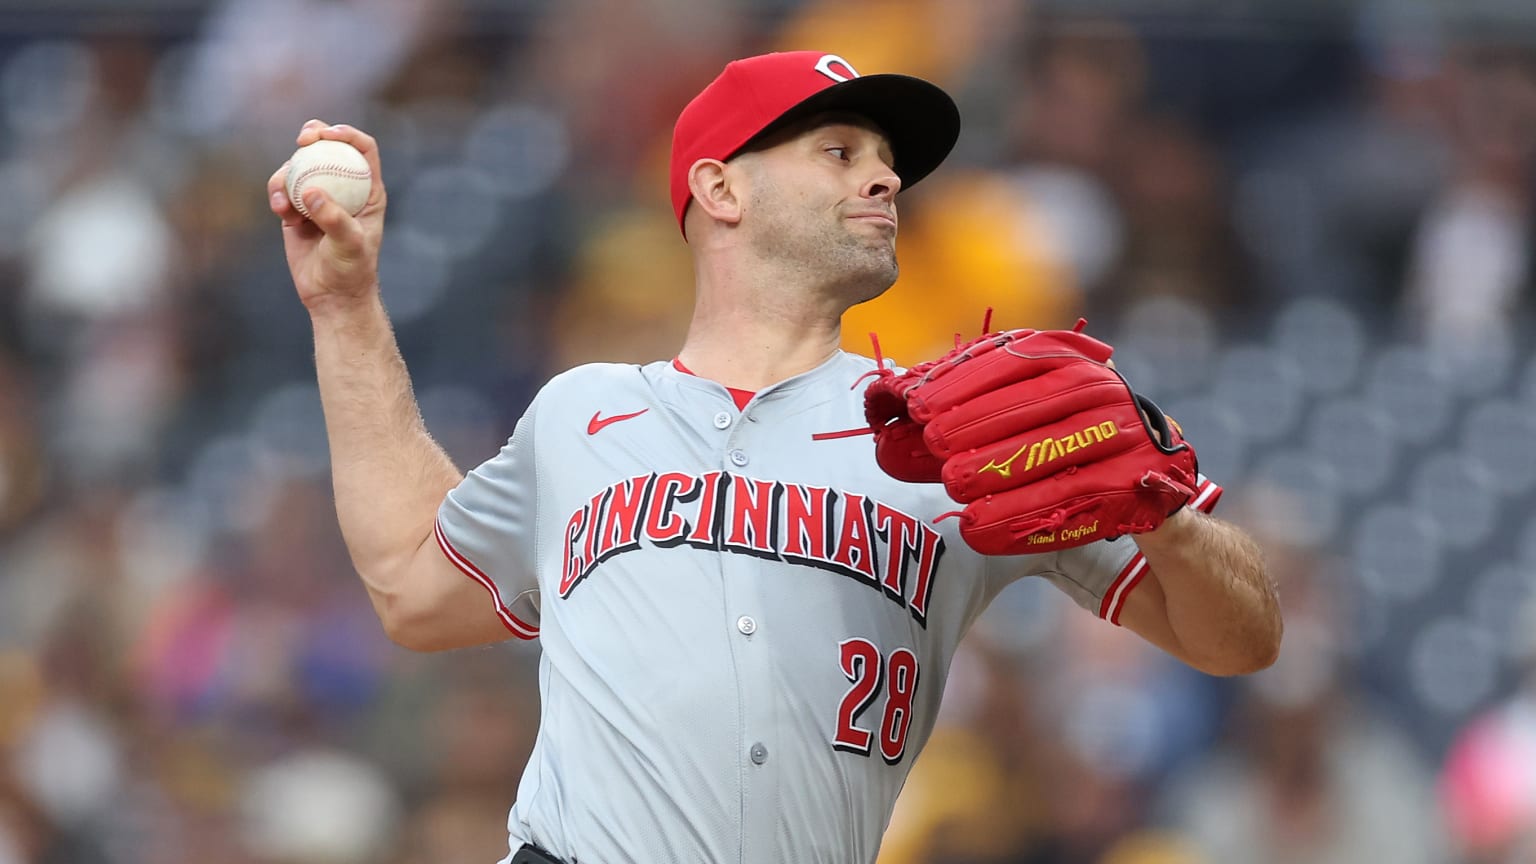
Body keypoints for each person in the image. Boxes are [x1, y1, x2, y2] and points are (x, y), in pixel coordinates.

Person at [266, 50, 1282, 864]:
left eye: (886, 158)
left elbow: (1240, 641)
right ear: (720, 188)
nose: (886, 175)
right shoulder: (584, 414)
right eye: (839, 151)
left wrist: (1167, 514)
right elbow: (411, 585)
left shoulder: (956, 436)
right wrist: (344, 307)